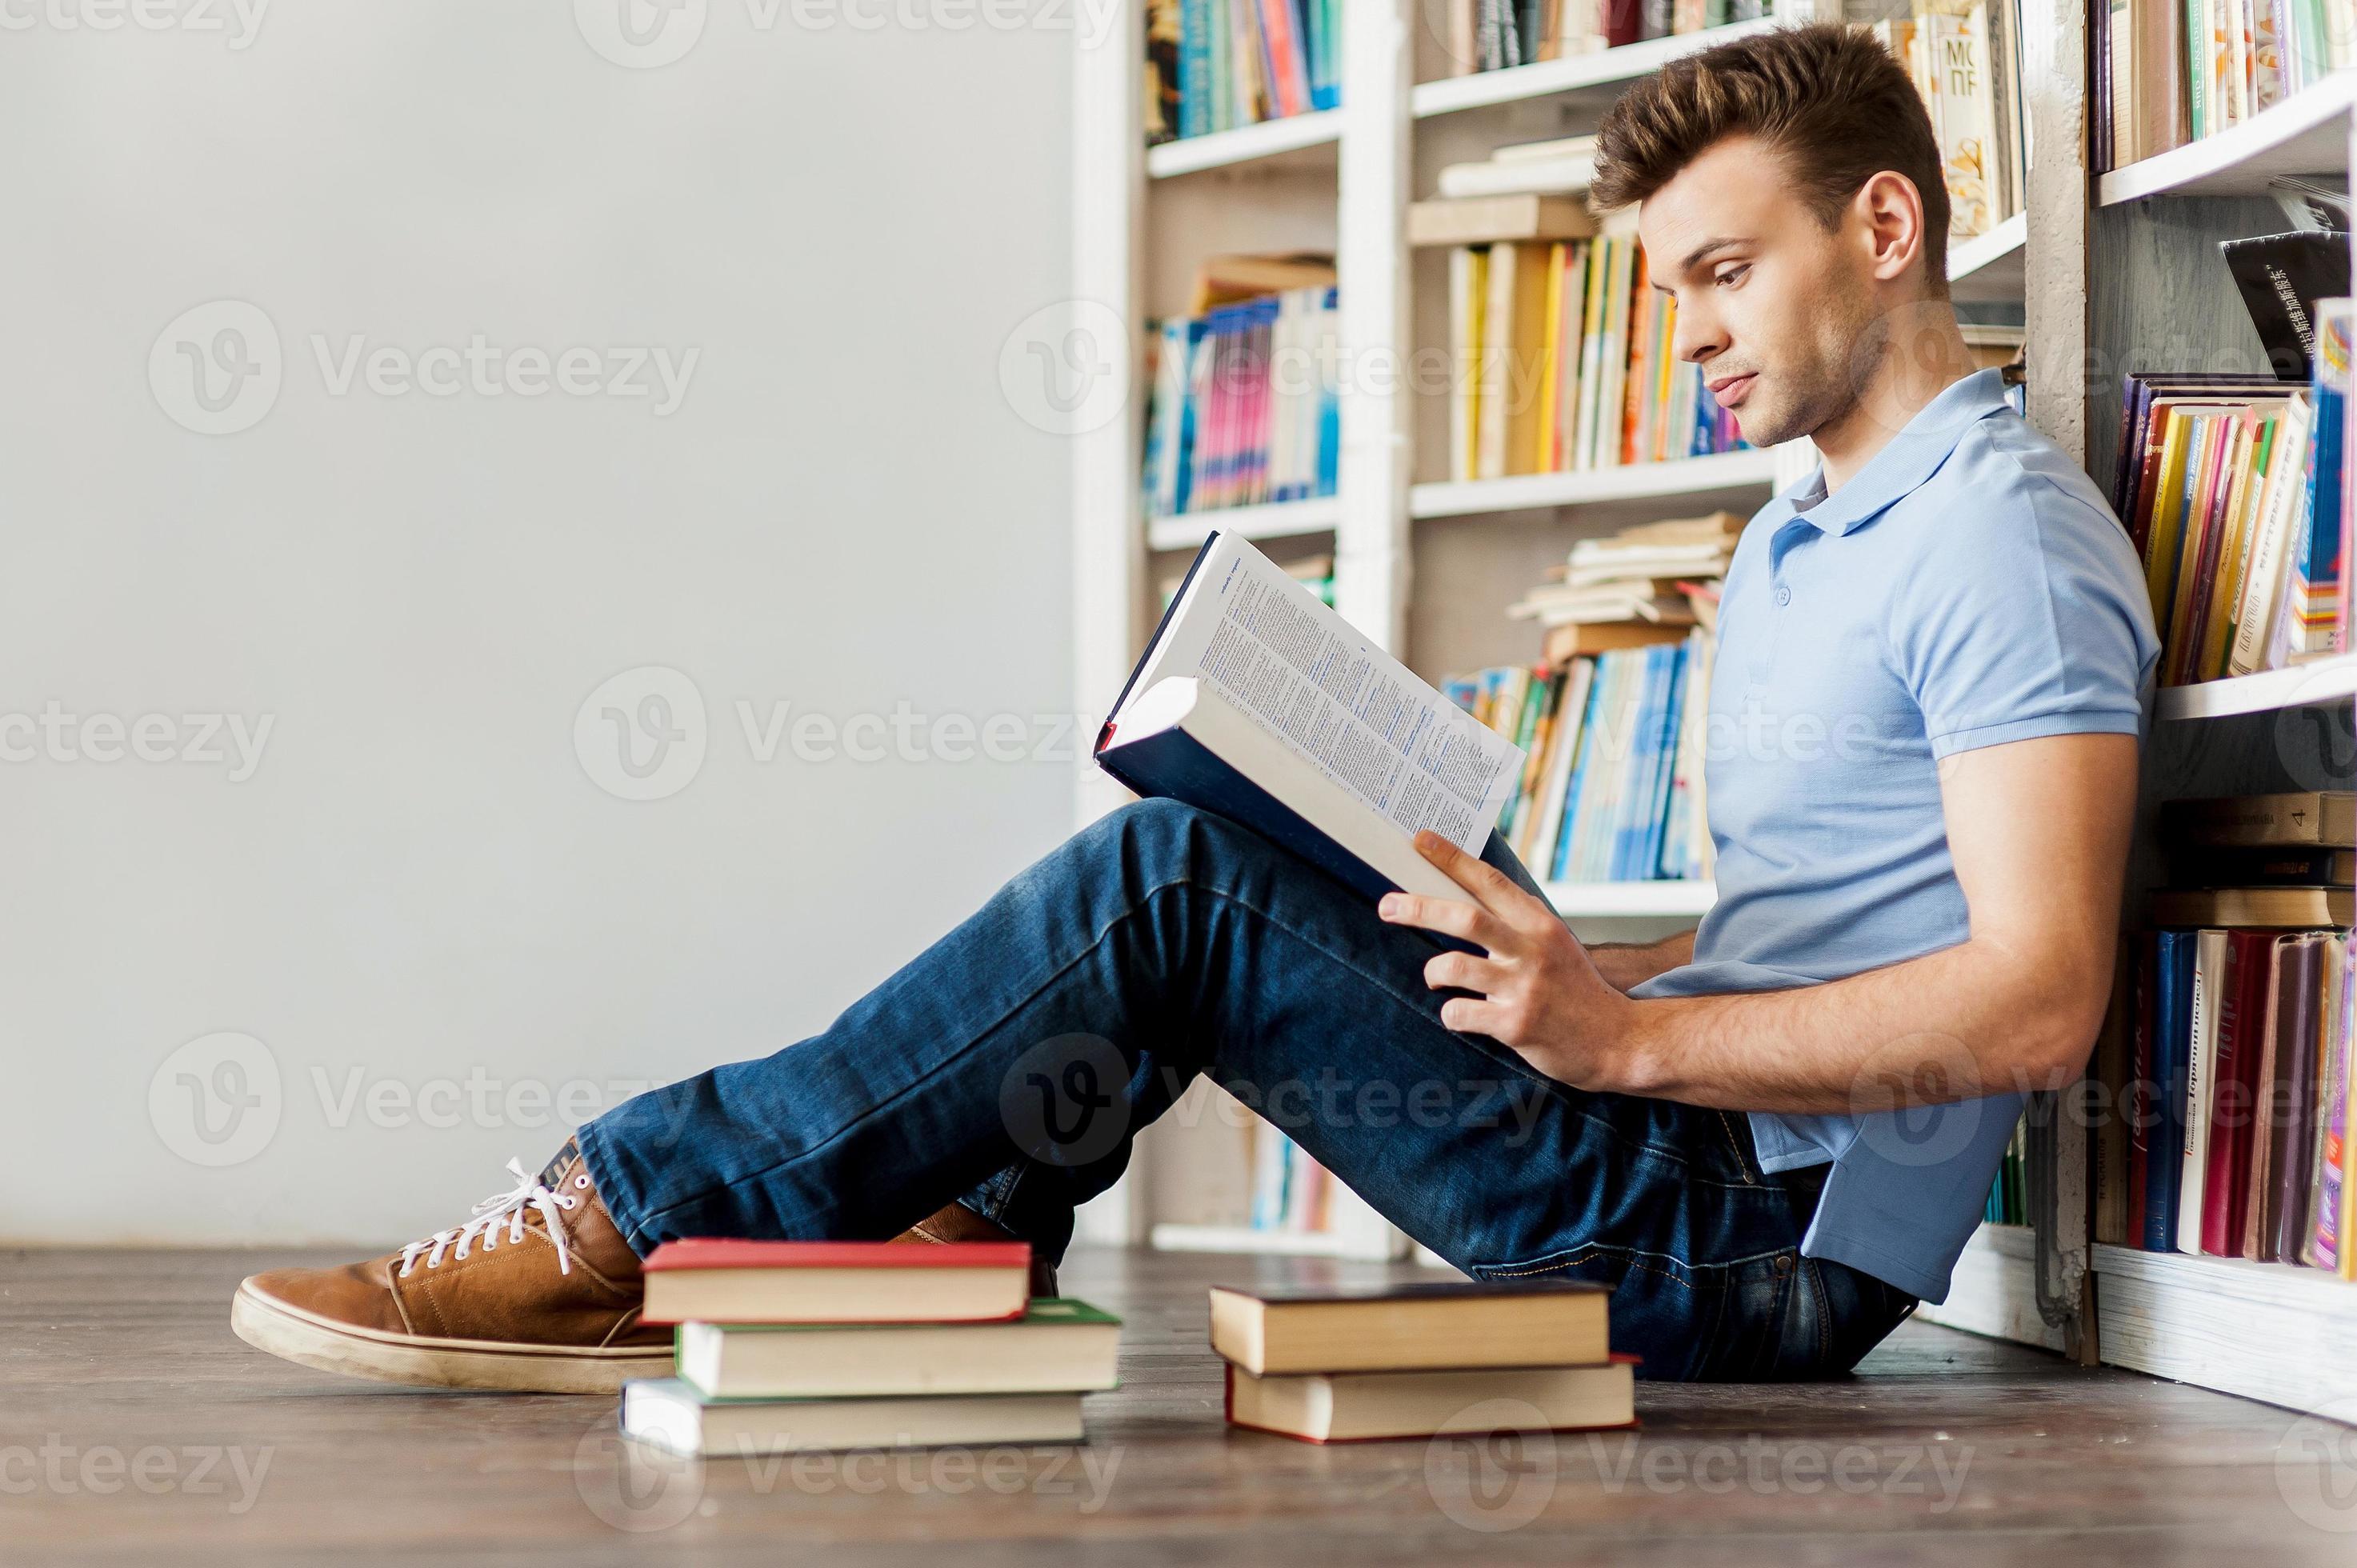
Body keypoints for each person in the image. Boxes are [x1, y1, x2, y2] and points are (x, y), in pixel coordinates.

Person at [228, 22, 2159, 1391]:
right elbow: (1830, 936)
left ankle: (613, 1215)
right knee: (1241, 834)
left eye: (1725, 273)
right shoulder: (1808, 536)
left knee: (1169, 885)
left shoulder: (1997, 538)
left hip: (1753, 1251)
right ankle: (961, 1222)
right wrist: (1585, 975)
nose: (1695, 338)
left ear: (1886, 231)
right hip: (1693, 1140)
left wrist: (1623, 1050)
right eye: (1669, 291)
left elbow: (2041, 995)